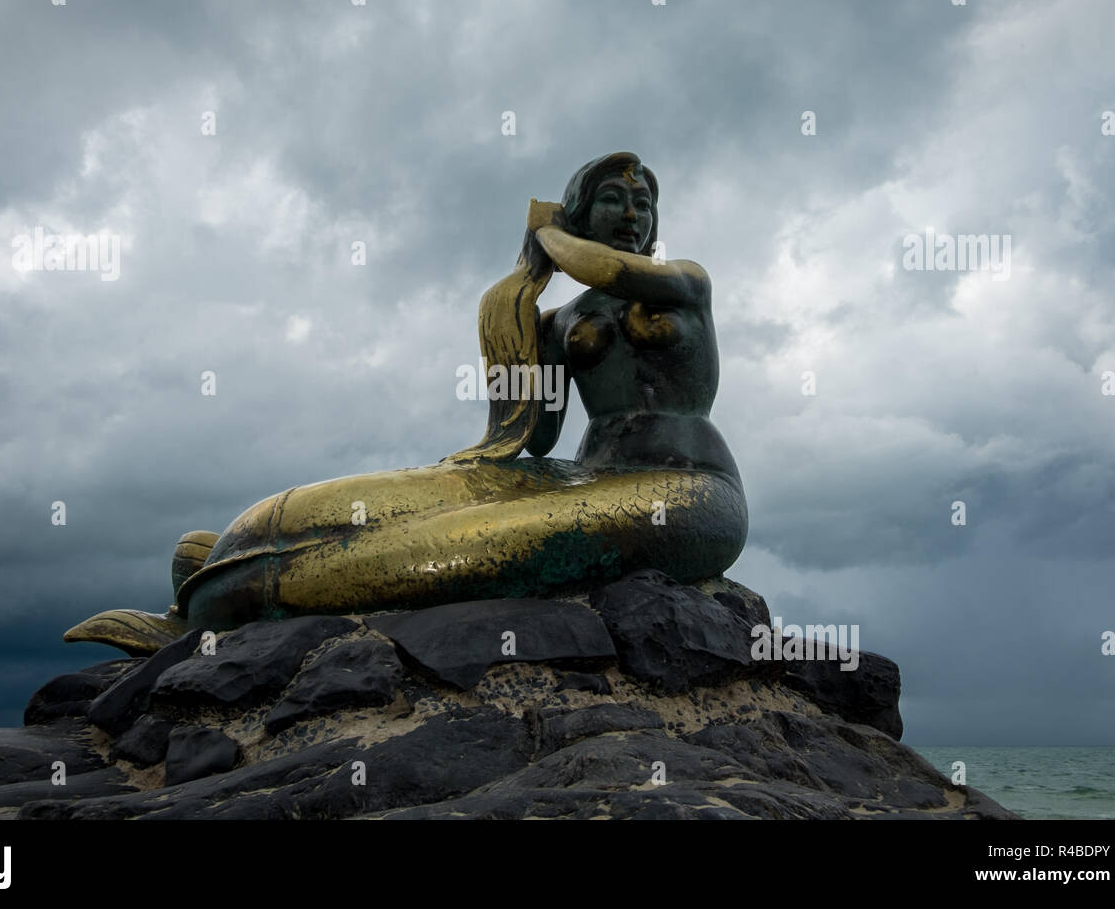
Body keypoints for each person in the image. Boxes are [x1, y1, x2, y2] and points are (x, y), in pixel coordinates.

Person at [66, 152, 747, 655]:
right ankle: (262, 536)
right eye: (613, 199)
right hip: (592, 472)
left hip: (691, 490)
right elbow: (536, 436)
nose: (632, 214)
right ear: (584, 210)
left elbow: (606, 269)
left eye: (643, 203)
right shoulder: (562, 320)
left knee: (491, 539)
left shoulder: (682, 281)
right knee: (439, 493)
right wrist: (515, 317)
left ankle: (246, 590)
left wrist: (548, 236)